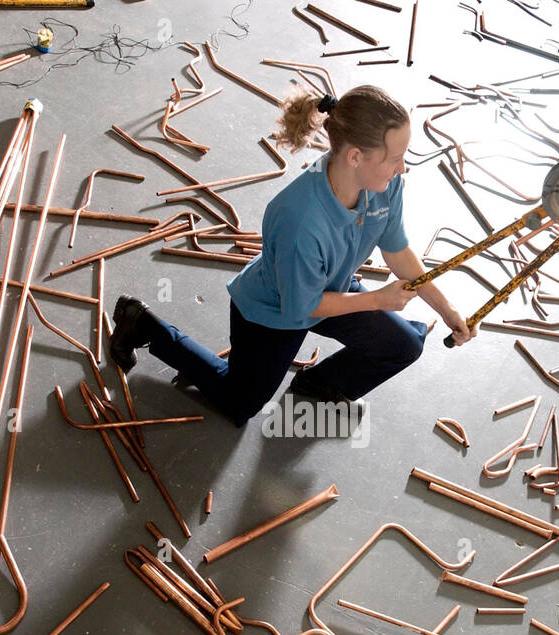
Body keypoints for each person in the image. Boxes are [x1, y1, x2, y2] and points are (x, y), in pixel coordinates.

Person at [108, 84, 471, 428]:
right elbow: (302, 308)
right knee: (240, 405)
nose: (402, 167)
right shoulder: (300, 218)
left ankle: (318, 384)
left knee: (403, 345)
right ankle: (142, 324)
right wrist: (377, 299)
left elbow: (399, 254)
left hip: (330, 288)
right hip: (274, 312)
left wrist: (448, 310)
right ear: (356, 156)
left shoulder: (385, 186)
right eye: (394, 159)